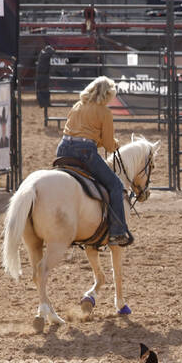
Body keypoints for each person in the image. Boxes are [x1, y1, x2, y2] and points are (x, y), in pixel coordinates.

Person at [57, 76, 130, 245]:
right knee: (115, 185)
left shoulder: (77, 105)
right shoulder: (104, 112)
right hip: (85, 152)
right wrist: (115, 144)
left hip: (63, 149)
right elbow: (109, 145)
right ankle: (117, 232)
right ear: (107, 95)